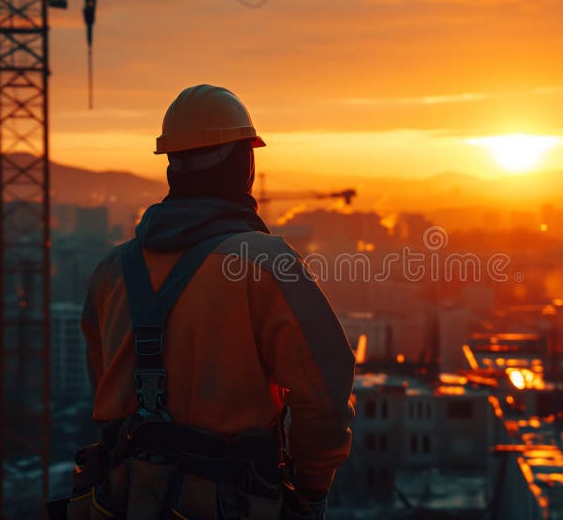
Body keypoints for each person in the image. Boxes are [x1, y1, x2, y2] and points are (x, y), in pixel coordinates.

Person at [65, 84, 355, 520]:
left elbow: (103, 387)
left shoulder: (111, 271)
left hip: (123, 501)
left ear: (171, 169)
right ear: (245, 163)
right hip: (231, 504)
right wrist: (311, 489)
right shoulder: (265, 263)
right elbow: (324, 395)